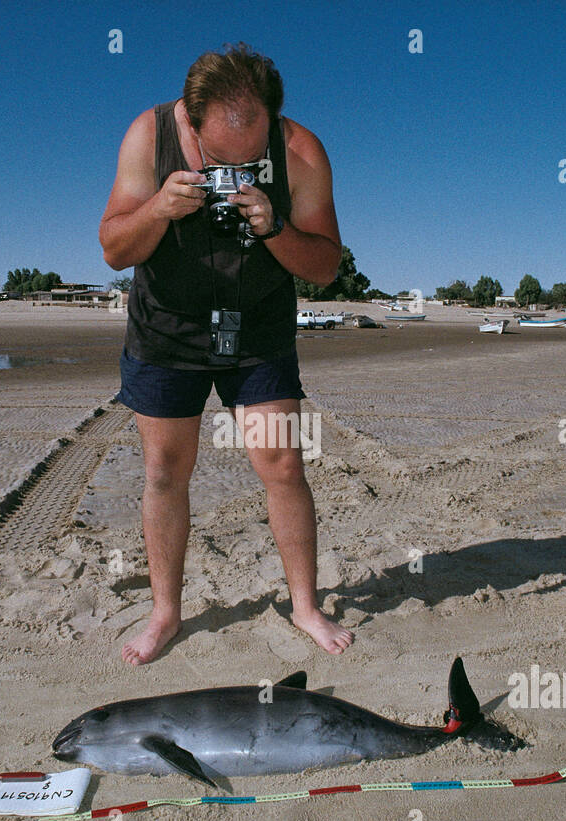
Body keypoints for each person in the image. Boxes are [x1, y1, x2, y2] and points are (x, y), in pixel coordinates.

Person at [99, 42, 354, 665]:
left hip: (257, 329)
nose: (236, 174)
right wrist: (159, 206)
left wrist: (276, 227)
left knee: (284, 466)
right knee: (164, 472)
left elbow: (325, 268)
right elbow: (113, 248)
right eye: (219, 160)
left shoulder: (300, 150)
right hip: (168, 330)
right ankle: (165, 615)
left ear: (272, 116)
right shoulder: (147, 132)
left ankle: (304, 606)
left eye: (250, 160)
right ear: (190, 117)